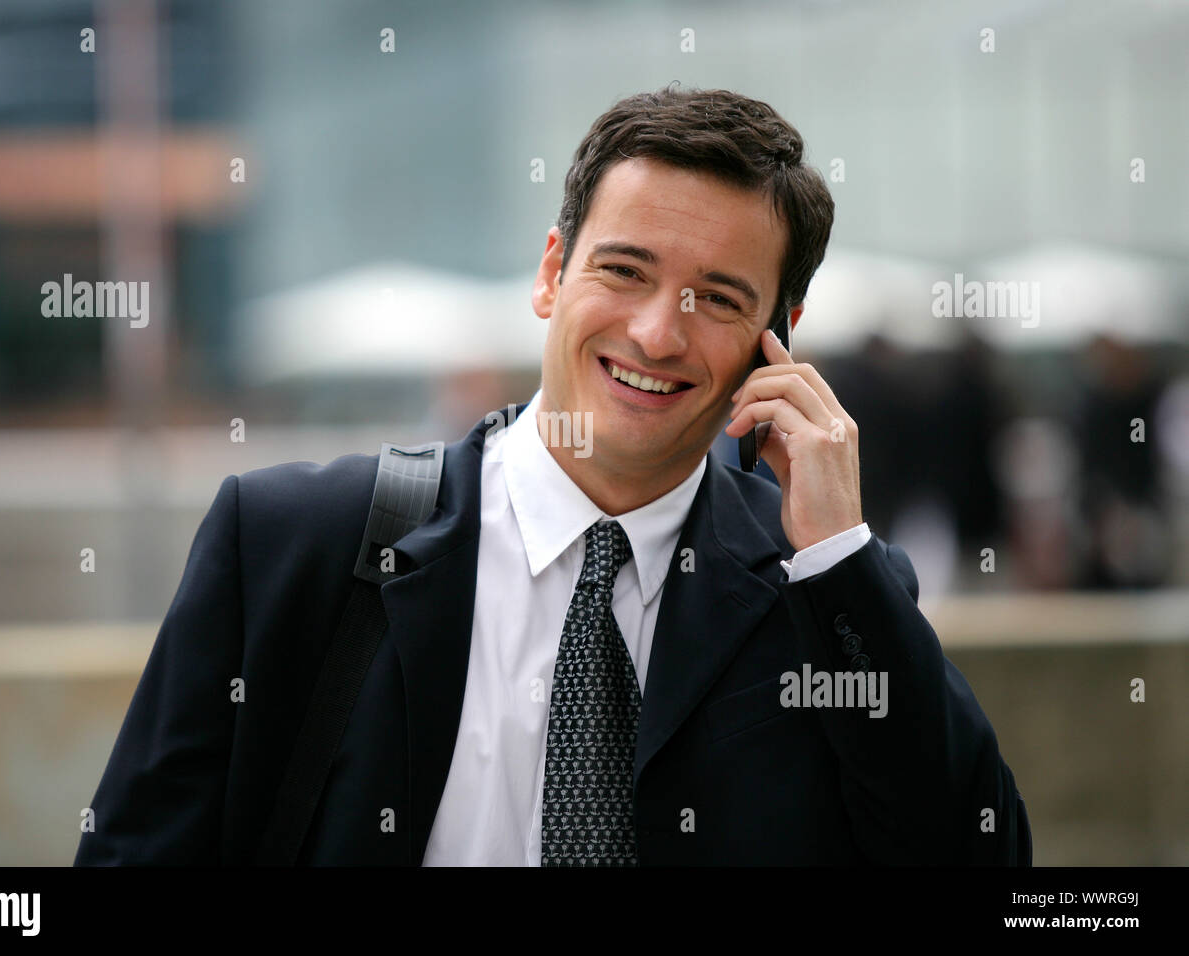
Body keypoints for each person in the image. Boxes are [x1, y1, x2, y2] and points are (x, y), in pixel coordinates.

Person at [75, 85, 1030, 866]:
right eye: (623, 271)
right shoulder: (290, 541)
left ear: (778, 340)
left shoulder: (821, 590)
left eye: (717, 300)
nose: (657, 332)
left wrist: (837, 559)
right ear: (550, 274)